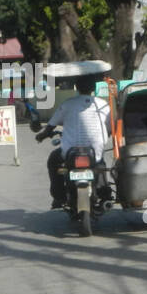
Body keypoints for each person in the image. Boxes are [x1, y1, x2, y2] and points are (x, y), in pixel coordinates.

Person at [36, 75, 111, 209]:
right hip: (95, 150)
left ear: (77, 88)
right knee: (100, 163)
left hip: (69, 152)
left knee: (54, 160)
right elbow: (110, 127)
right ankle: (104, 194)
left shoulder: (67, 104)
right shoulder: (103, 104)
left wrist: (41, 136)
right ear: (93, 88)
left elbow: (50, 126)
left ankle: (59, 197)